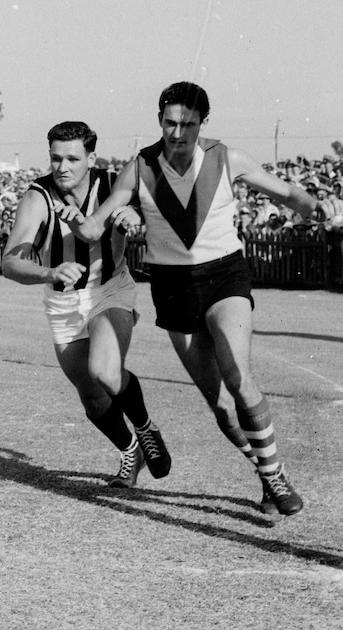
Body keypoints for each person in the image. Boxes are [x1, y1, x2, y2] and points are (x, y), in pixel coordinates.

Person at [66, 82, 342, 516]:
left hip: (224, 275)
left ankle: (275, 476)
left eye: (189, 125)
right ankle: (266, 472)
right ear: (159, 119)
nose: (178, 134)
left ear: (203, 123)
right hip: (173, 286)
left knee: (239, 378)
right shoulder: (139, 168)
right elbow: (94, 229)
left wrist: (317, 205)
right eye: (170, 123)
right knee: (221, 405)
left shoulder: (226, 157)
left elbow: (286, 193)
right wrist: (87, 221)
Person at [1, 121, 171, 488]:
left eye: (73, 159)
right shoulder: (38, 197)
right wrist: (49, 273)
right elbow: (9, 263)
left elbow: (148, 215)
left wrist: (134, 216)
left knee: (106, 372)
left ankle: (145, 429)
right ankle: (130, 450)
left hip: (109, 289)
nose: (62, 167)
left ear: (90, 158)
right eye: (56, 158)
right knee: (93, 399)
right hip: (63, 301)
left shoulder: (112, 185)